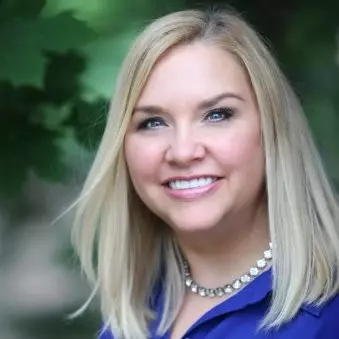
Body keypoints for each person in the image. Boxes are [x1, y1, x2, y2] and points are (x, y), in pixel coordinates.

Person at [71, 8, 339, 339]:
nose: (183, 152)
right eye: (152, 122)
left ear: (272, 129)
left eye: (217, 115)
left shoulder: (327, 314)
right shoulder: (132, 318)